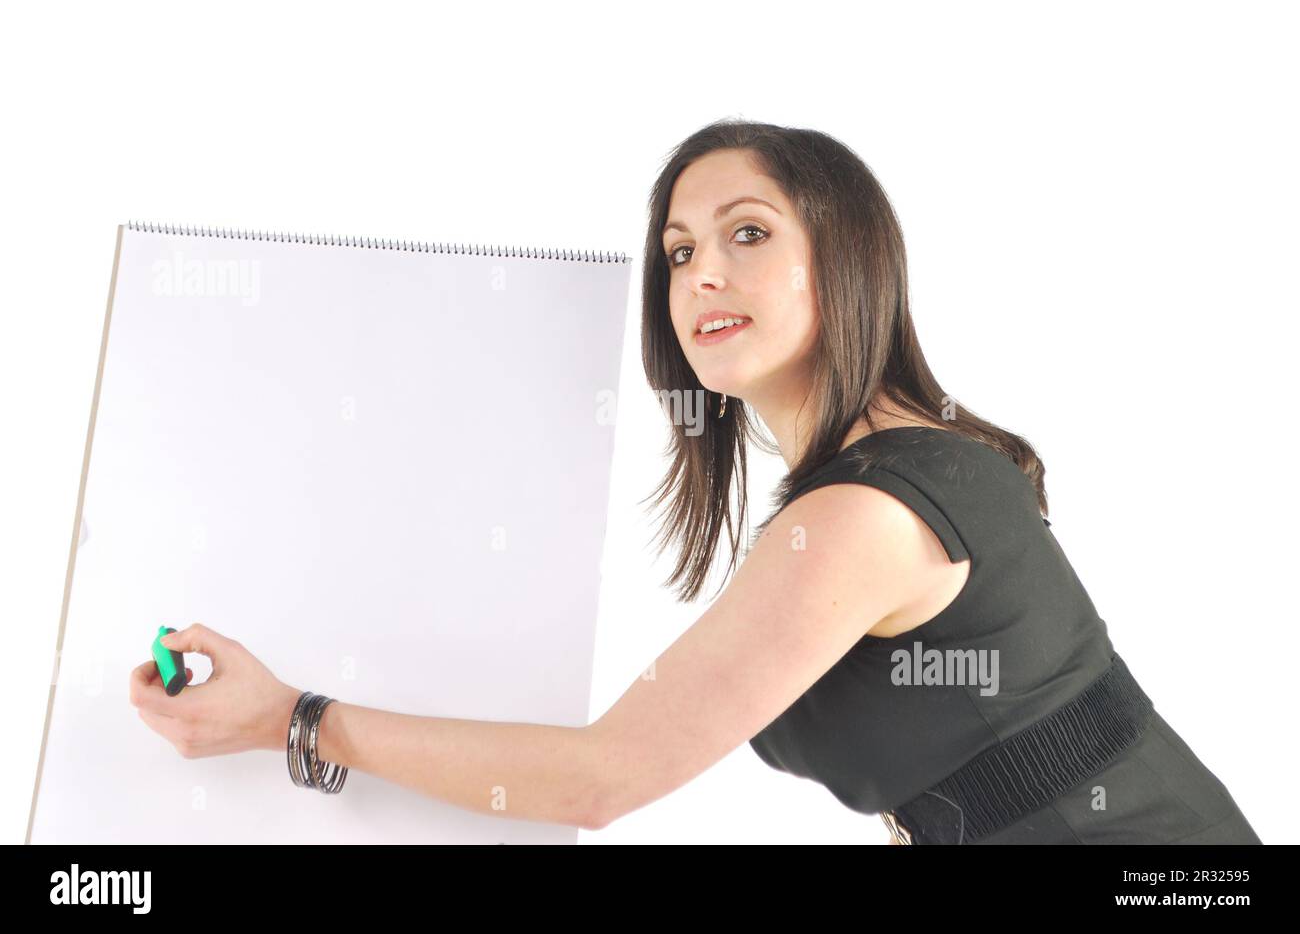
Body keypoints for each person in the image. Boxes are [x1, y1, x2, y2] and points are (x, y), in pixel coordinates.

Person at [130, 118, 1261, 843]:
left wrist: (296, 717)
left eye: (747, 233)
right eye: (678, 251)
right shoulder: (895, 474)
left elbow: (600, 779)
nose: (701, 271)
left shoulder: (872, 513)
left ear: (845, 258)